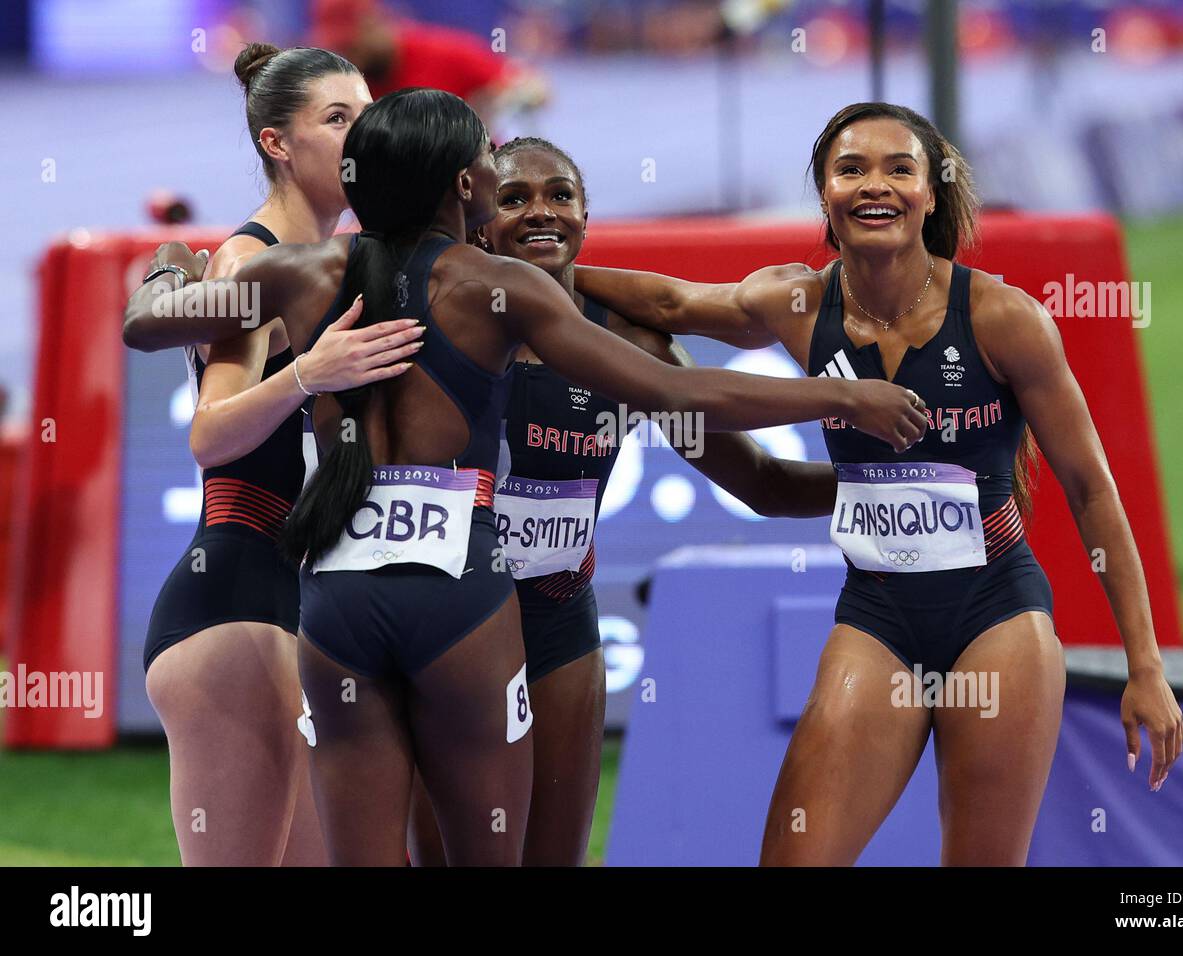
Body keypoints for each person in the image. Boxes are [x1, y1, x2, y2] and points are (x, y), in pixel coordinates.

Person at [121, 89, 927, 865]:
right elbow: (683, 387)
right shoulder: (503, 296)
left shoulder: (302, 272)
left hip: (357, 604)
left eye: (560, 195)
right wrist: (845, 396)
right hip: (467, 608)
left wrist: (164, 267)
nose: (535, 208)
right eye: (501, 181)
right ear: (468, 188)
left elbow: (150, 326)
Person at [573, 101, 1183, 866]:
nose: (876, 186)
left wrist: (1147, 666)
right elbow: (668, 304)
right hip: (877, 617)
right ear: (825, 194)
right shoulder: (797, 302)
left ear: (931, 194)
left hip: (996, 615)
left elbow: (1091, 490)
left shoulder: (1004, 318)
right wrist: (535, 273)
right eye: (851, 169)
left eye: (901, 169)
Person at [405, 137, 839, 866]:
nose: (540, 211)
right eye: (514, 198)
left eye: (560, 196)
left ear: (585, 213)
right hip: (444, 628)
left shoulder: (631, 341)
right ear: (479, 215)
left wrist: (889, 479)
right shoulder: (432, 324)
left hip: (559, 629)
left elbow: (762, 483)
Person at [134, 44, 422, 865]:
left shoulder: (350, 262)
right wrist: (309, 372)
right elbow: (210, 434)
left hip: (303, 612)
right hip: (233, 613)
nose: (360, 135)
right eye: (337, 120)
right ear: (277, 144)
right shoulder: (250, 261)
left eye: (366, 117)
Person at [310, 0, 547, 132]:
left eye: (352, 47)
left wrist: (488, 109)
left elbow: (534, 89)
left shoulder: (445, 51)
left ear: (375, 24)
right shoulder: (340, 81)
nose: (348, 57)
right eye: (339, 48)